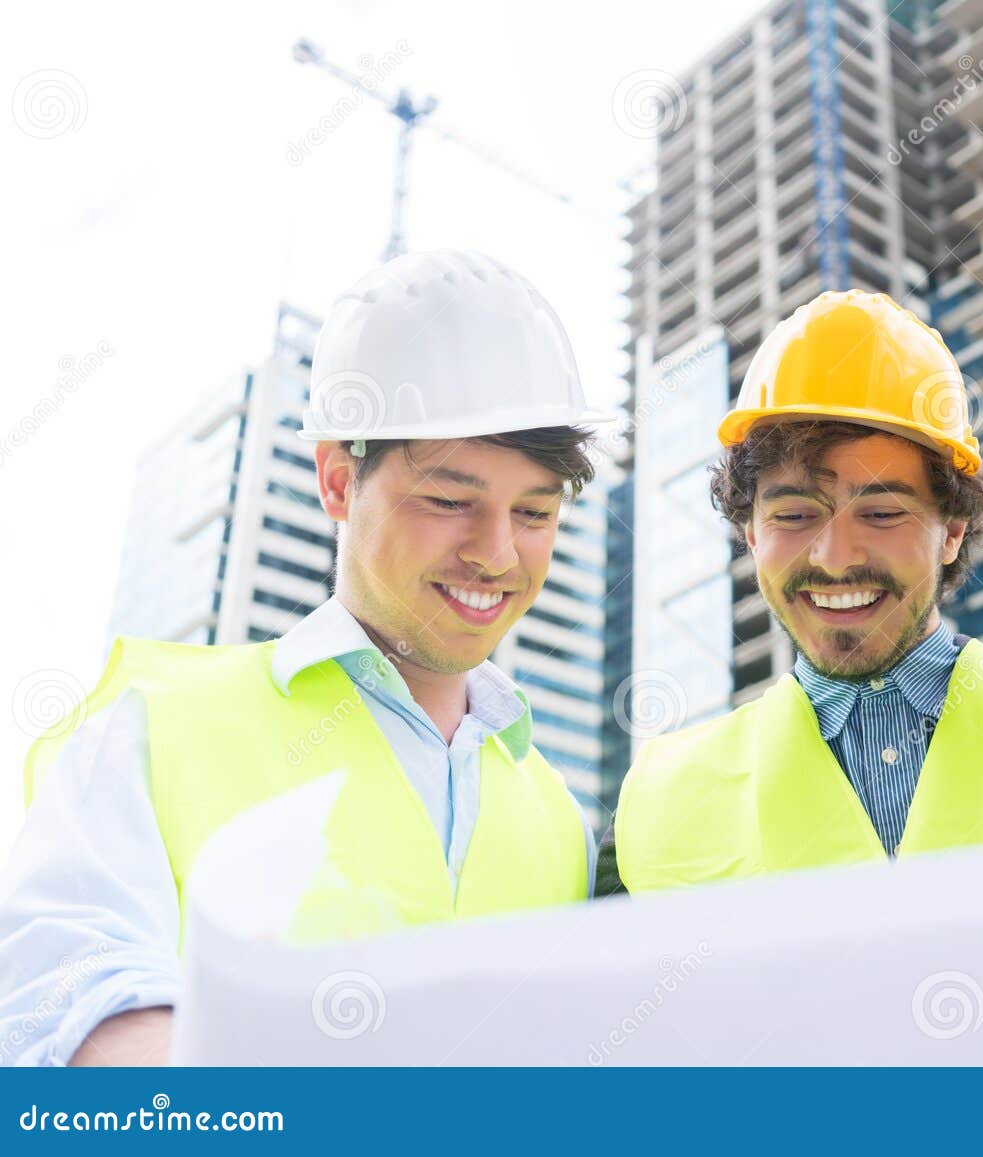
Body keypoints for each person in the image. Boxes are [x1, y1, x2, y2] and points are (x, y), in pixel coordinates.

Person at [0, 249, 609, 1066]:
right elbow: (57, 1007)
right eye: (449, 500)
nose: (497, 554)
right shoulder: (153, 727)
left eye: (533, 512)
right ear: (336, 481)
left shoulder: (560, 821)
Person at [605, 289, 983, 895]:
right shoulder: (652, 808)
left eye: (881, 513)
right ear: (750, 535)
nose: (835, 558)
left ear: (952, 532)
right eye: (796, 516)